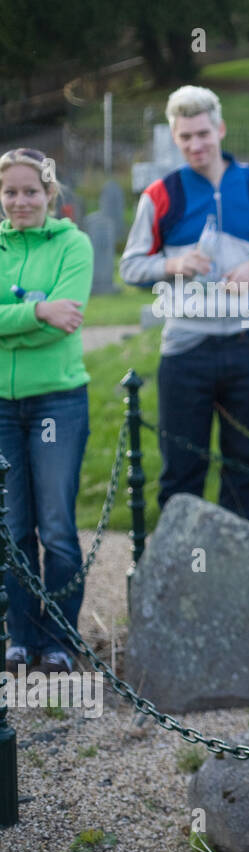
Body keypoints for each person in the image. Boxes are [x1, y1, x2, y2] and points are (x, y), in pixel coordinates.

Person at [119, 85, 249, 527]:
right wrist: (172, 263)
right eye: (186, 138)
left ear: (220, 129)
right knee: (182, 467)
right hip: (186, 348)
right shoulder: (161, 194)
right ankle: (181, 572)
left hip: (247, 345)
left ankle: (238, 573)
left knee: (245, 464)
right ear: (175, 139)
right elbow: (130, 267)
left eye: (203, 133)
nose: (196, 145)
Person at [0, 147, 92, 675]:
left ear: (49, 194)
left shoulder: (73, 244)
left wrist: (12, 318)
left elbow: (71, 315)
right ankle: (21, 634)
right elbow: (52, 314)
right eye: (10, 192)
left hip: (57, 400)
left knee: (56, 525)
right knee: (13, 528)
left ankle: (60, 637)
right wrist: (37, 308)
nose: (20, 201)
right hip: (3, 408)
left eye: (30, 191)